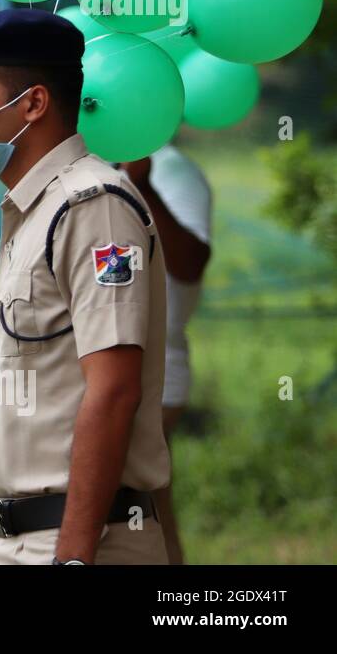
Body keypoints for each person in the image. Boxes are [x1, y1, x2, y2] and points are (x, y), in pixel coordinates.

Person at [0, 9, 170, 565]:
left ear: (33, 104)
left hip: (80, 542)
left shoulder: (93, 206)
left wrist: (72, 557)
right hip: (23, 539)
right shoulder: (36, 209)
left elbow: (114, 390)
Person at [121, 144, 212, 565]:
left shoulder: (171, 169)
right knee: (150, 514)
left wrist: (143, 186)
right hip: (97, 369)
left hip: (149, 371)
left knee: (127, 510)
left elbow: (191, 263)